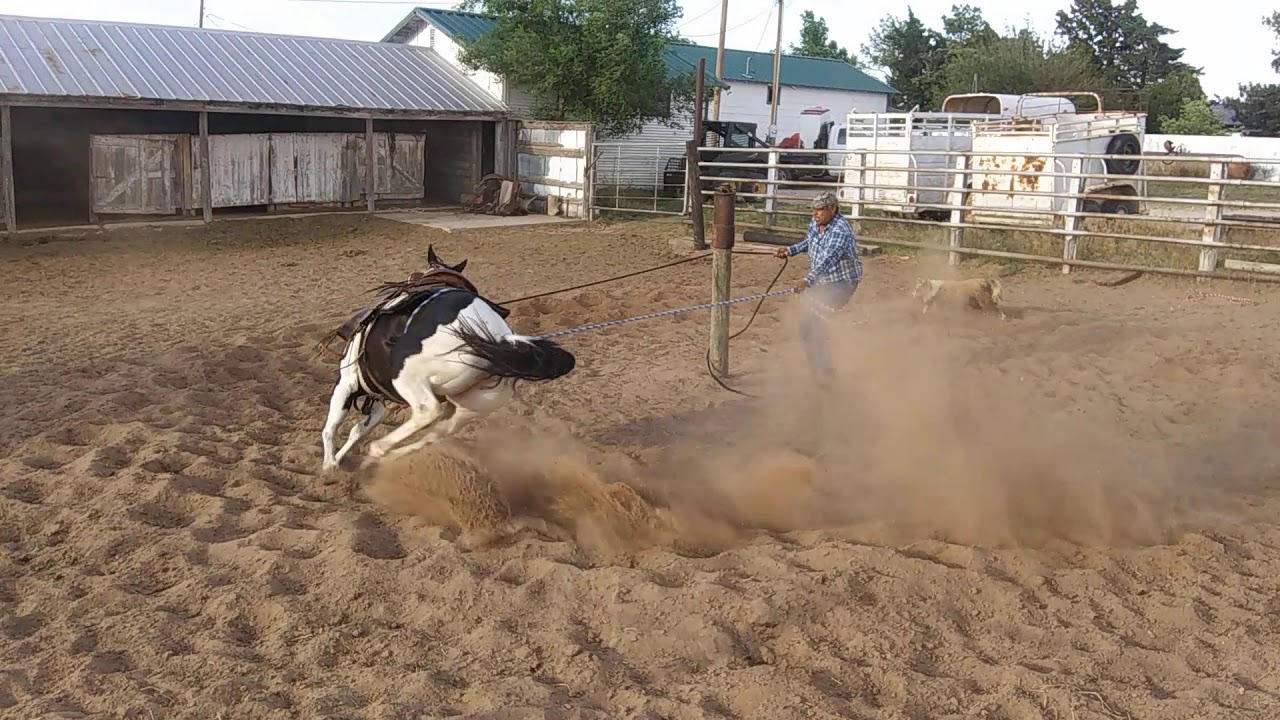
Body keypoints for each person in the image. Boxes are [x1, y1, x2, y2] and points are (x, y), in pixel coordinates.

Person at [773, 191, 862, 384]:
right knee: (807, 323)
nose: (815, 214)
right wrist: (791, 250)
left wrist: (807, 280)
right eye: (814, 209)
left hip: (842, 283)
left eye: (820, 209)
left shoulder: (841, 231)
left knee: (812, 320)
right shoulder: (816, 223)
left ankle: (825, 372)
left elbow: (828, 260)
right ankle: (820, 369)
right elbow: (810, 242)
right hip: (822, 282)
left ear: (833, 209)